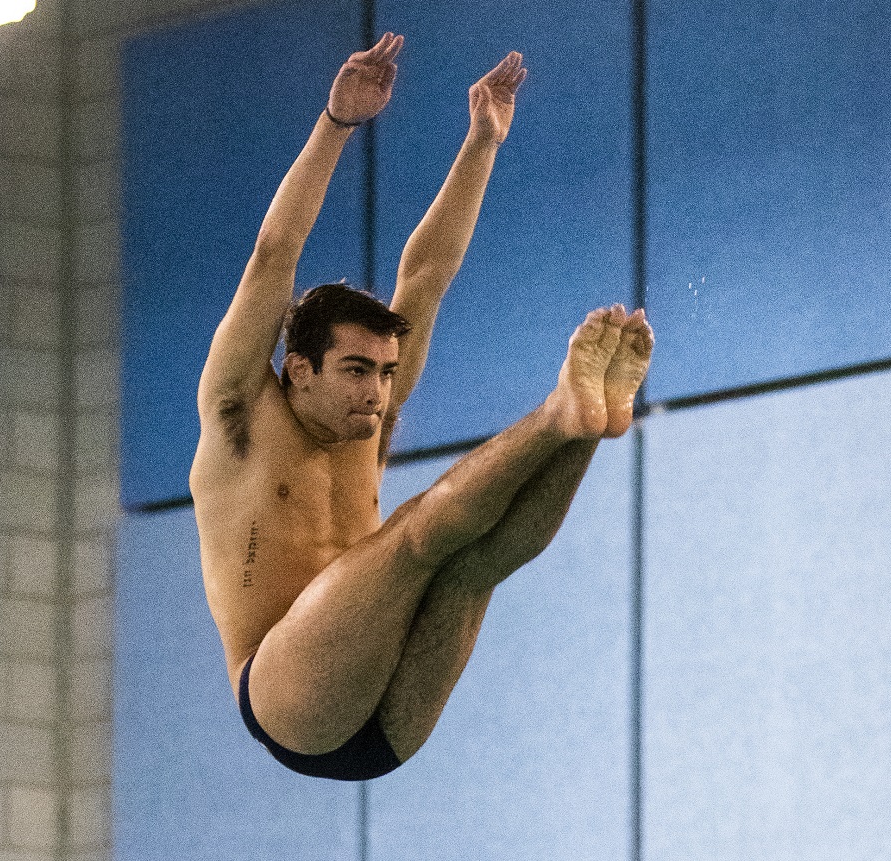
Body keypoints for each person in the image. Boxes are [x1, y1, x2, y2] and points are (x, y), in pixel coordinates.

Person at [189, 33, 654, 781]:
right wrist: (335, 123)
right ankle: (557, 416)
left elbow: (429, 273)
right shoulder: (239, 411)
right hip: (286, 698)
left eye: (383, 372)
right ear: (298, 368)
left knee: (477, 562)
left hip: (386, 721)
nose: (376, 394)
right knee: (414, 535)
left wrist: (482, 143)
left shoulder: (370, 409)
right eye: (354, 371)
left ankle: (587, 424)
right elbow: (273, 254)